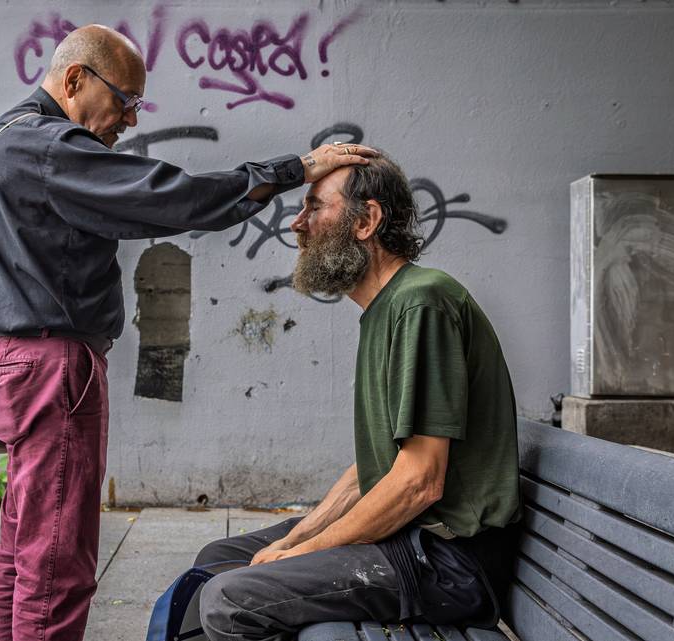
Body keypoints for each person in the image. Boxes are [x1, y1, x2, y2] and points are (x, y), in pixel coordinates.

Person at [0, 24, 377, 641]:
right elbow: (169, 199)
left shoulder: (5, 137)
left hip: (16, 362)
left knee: (24, 549)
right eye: (126, 100)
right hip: (53, 368)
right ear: (76, 79)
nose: (130, 119)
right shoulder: (48, 147)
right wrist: (295, 169)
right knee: (57, 564)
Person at [193, 154, 522, 640]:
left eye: (313, 208)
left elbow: (419, 482)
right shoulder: (385, 309)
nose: (297, 224)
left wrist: (303, 554)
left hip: (445, 563)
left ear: (366, 221)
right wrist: (299, 535)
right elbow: (376, 470)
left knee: (230, 600)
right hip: (411, 541)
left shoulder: (421, 304)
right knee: (218, 560)